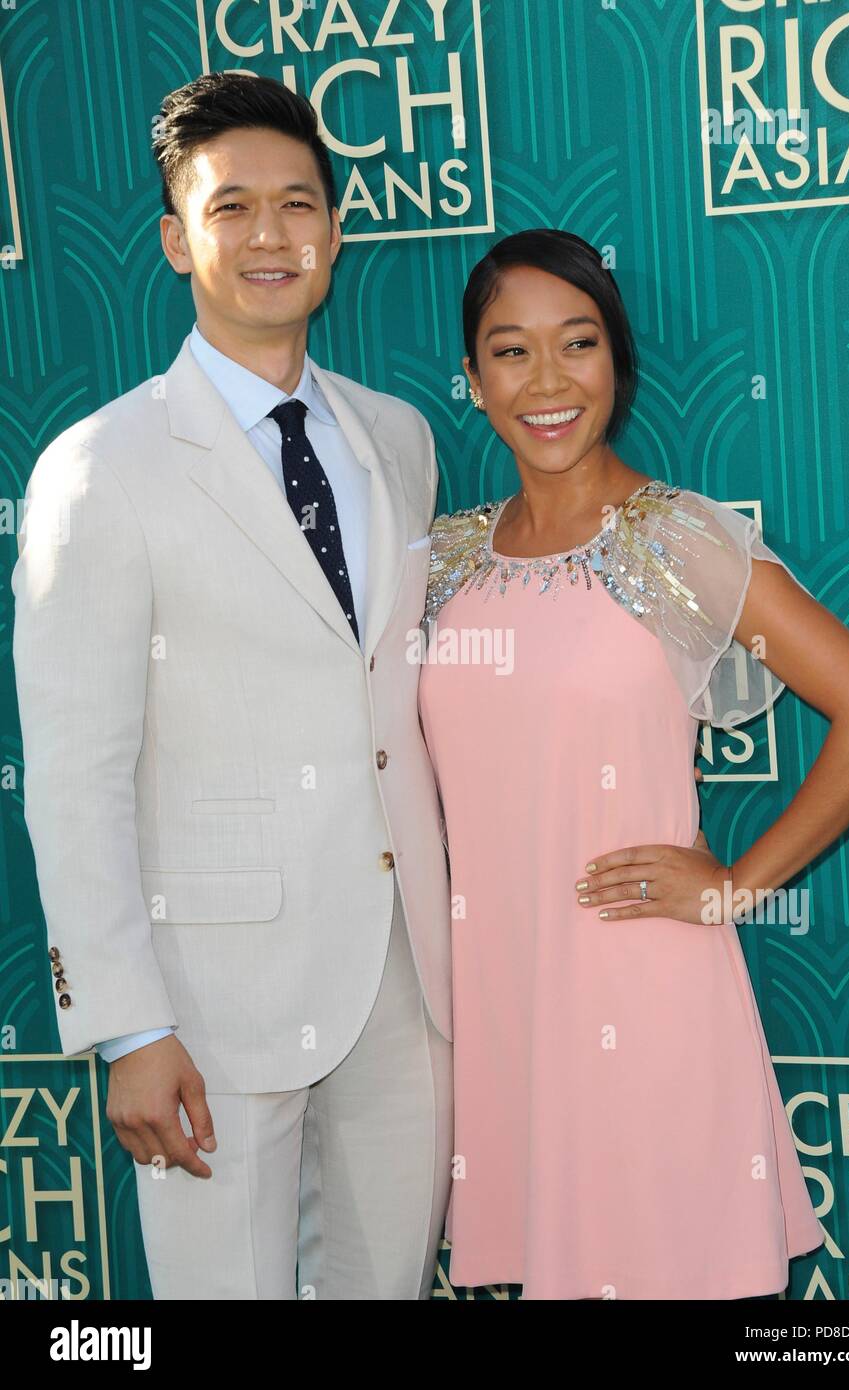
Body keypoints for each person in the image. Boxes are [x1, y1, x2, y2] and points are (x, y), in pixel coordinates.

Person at [12, 72, 453, 1300]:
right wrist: (129, 1027)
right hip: (207, 1003)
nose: (272, 237)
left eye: (299, 205)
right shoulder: (99, 468)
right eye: (232, 208)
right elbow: (74, 771)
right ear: (174, 238)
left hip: (402, 980)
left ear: (335, 231)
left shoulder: (398, 436)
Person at [416, 228, 849, 1301]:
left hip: (640, 988)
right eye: (509, 351)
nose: (546, 381)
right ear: (470, 379)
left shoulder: (674, 541)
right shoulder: (441, 560)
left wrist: (735, 885)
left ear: (618, 364)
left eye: (577, 343)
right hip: (499, 1007)